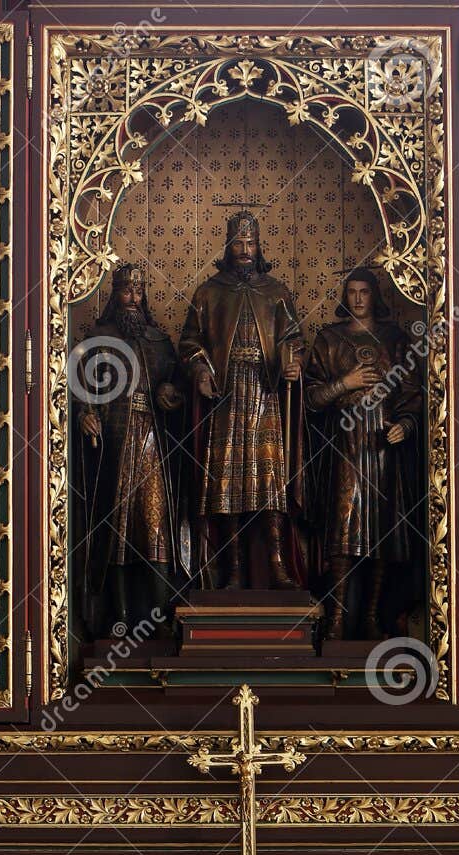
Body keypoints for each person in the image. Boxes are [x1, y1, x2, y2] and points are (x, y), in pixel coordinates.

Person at [179, 211, 304, 588]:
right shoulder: (209, 292)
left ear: (259, 245)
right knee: (227, 483)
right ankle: (231, 570)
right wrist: (201, 371)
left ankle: (277, 563)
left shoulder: (277, 292)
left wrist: (292, 362)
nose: (245, 250)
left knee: (269, 480)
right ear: (228, 246)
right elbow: (190, 342)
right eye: (238, 243)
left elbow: (293, 339)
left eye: (251, 243)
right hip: (227, 394)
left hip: (265, 393)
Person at [305, 267, 421, 638]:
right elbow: (311, 397)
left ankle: (371, 615)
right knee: (343, 525)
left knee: (381, 528)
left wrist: (405, 423)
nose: (357, 299)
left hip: (382, 444)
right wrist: (346, 382)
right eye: (351, 292)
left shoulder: (395, 339)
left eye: (365, 292)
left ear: (375, 296)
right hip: (343, 442)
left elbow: (413, 395)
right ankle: (337, 616)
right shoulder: (329, 339)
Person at [72, 263, 187, 638]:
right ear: (115, 295)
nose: (133, 298)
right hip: (115, 443)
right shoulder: (98, 339)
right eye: (126, 291)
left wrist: (170, 395)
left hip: (152, 439)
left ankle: (159, 614)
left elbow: (173, 384)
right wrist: (85, 413)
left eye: (139, 291)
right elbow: (81, 388)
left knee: (154, 525)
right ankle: (118, 614)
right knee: (116, 529)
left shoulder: (158, 340)